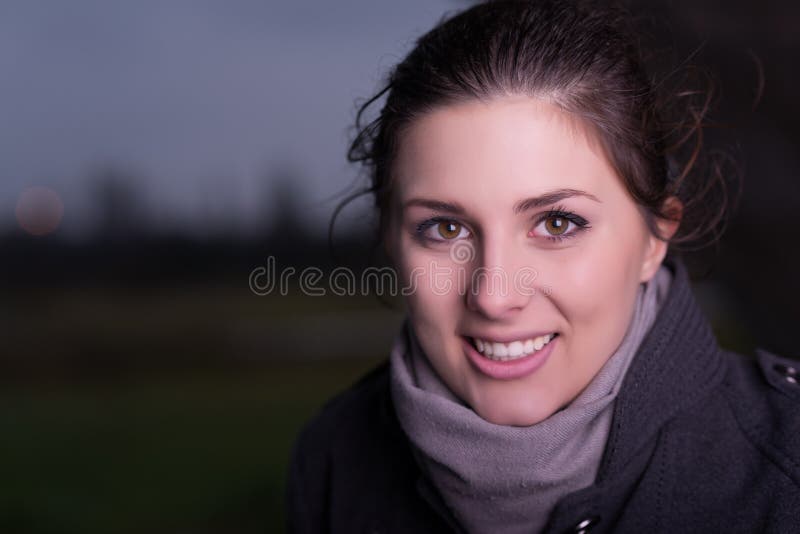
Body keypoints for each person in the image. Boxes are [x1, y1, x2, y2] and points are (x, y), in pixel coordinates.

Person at [286, 1, 800, 532]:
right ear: (390, 241)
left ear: (654, 237)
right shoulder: (334, 463)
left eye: (556, 224)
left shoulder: (788, 470)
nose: (493, 295)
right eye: (445, 228)